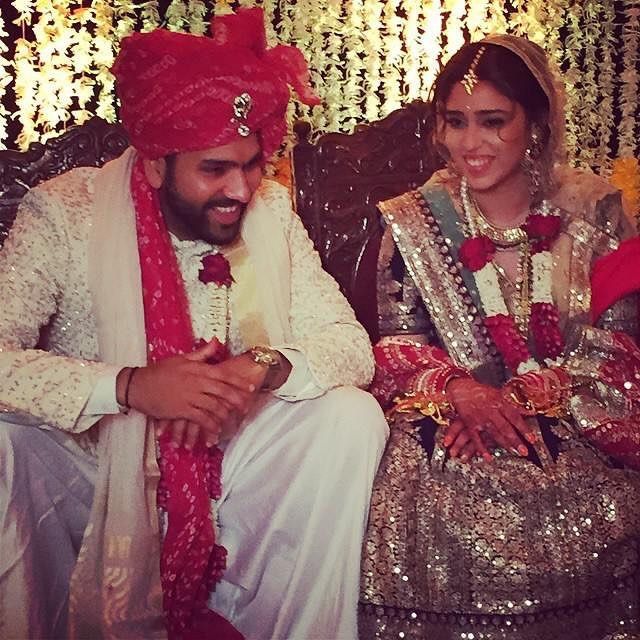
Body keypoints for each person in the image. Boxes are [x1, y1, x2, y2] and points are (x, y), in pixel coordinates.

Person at [0, 8, 389, 640]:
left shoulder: (271, 212)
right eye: (214, 169)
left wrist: (259, 367)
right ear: (156, 163)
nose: (241, 188)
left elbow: (349, 344)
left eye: (253, 163)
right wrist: (130, 387)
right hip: (92, 466)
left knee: (349, 416)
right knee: (4, 438)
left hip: (230, 461)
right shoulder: (64, 213)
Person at [359, 35, 640, 640]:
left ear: (535, 124)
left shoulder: (594, 212)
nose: (471, 143)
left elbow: (620, 351)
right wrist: (460, 391)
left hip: (577, 416)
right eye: (455, 122)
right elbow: (398, 344)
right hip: (446, 417)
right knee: (423, 498)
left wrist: (531, 394)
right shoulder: (414, 219)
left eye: (493, 122)